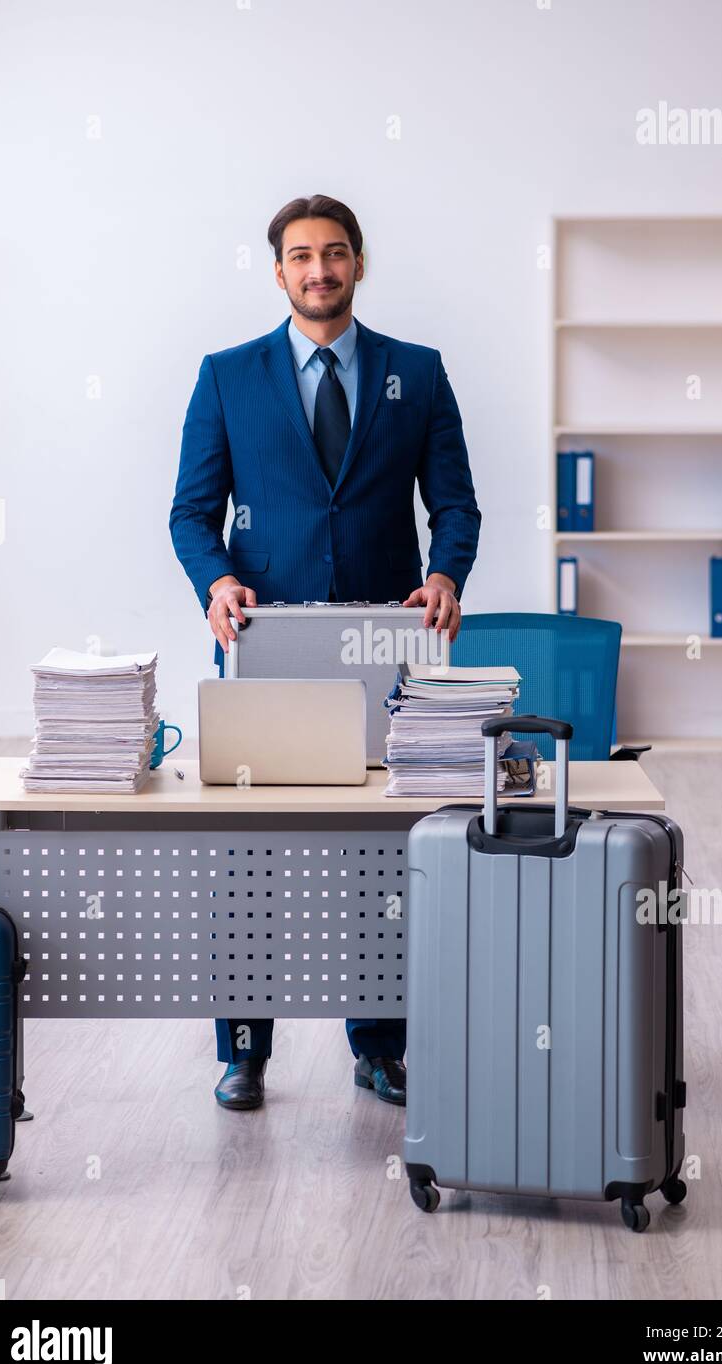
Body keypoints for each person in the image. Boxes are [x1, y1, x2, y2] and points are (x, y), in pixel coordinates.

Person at [170, 194, 481, 1112]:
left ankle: (379, 1049)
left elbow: (454, 503)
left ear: (358, 263)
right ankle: (243, 1054)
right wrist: (217, 584)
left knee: (381, 856)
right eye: (301, 256)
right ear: (277, 272)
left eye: (334, 253)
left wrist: (445, 574)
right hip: (268, 647)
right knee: (249, 857)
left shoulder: (414, 375)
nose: (318, 270)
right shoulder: (228, 376)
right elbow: (192, 513)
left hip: (385, 643)